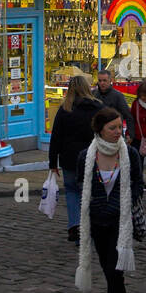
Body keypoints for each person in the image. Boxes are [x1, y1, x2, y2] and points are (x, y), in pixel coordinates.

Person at [77, 107, 144, 293]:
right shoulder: (86, 156)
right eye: (112, 128)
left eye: (120, 127)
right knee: (109, 270)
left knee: (115, 273)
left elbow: (137, 182)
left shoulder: (130, 154)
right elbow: (79, 184)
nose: (118, 132)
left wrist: (124, 201)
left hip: (120, 220)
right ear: (100, 130)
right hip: (96, 221)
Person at [48, 74, 102, 245]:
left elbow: (56, 137)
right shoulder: (98, 107)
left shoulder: (65, 109)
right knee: (90, 193)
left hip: (69, 157)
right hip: (91, 156)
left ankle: (75, 225)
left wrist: (52, 162)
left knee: (72, 191)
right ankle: (88, 229)